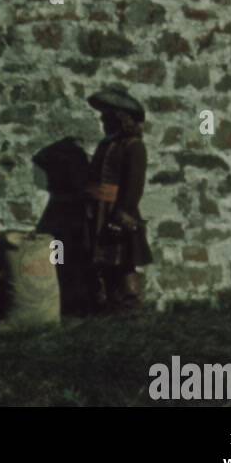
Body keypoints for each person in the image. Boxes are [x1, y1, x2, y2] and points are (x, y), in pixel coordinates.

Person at [83, 84, 153, 312]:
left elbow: (134, 185)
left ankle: (130, 304)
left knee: (124, 261)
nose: (103, 122)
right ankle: (112, 303)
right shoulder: (107, 144)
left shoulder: (134, 147)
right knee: (105, 260)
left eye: (107, 118)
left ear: (119, 119)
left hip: (118, 210)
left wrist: (121, 215)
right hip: (100, 209)